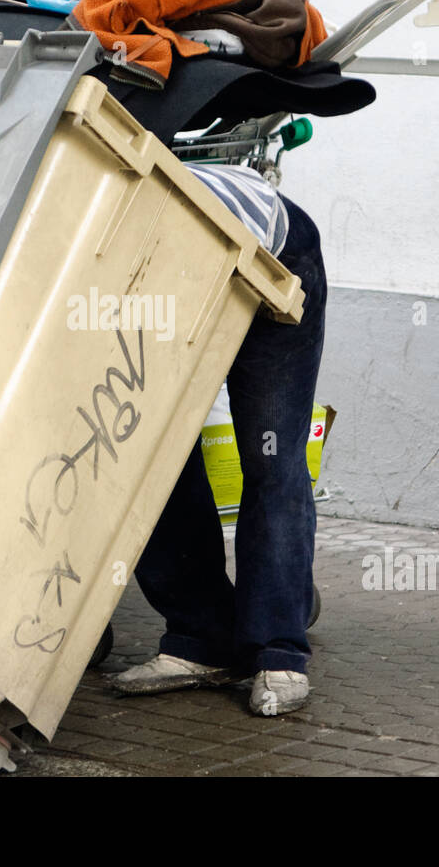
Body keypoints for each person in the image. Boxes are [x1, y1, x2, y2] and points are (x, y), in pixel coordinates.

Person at [109, 161, 326, 715]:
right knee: (153, 452)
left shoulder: (130, 216)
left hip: (275, 257)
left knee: (270, 454)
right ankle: (201, 639)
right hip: (170, 277)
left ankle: (278, 650)